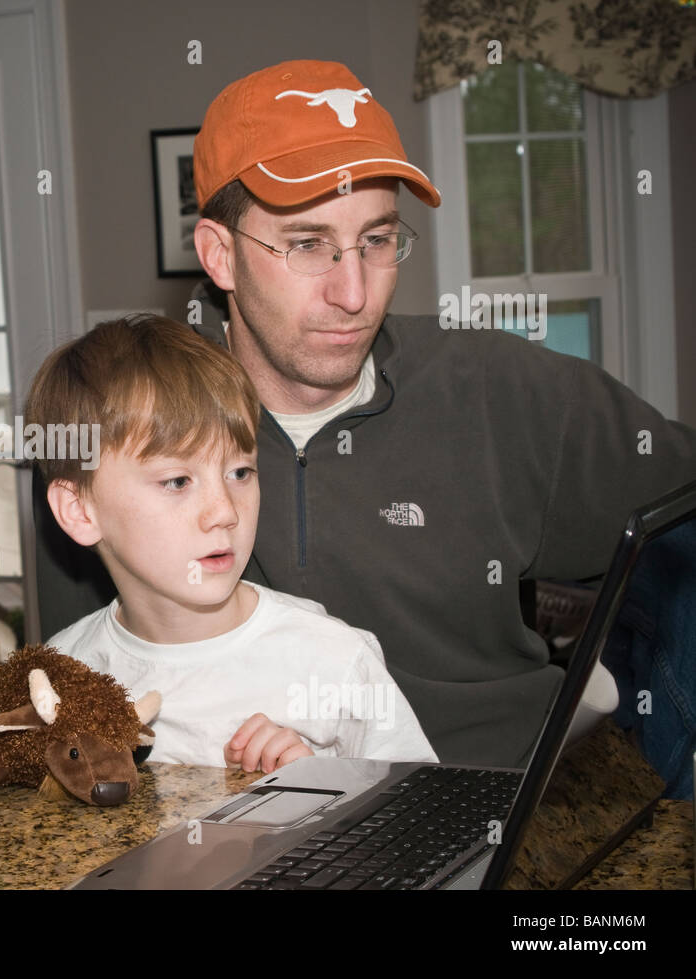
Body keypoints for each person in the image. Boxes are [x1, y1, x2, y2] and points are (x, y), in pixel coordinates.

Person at [35, 60, 696, 770]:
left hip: (511, 817)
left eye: (377, 241)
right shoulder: (129, 426)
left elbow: (680, 497)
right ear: (220, 255)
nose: (354, 292)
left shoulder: (500, 387)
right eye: (308, 244)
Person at [30, 315, 436, 771]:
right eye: (178, 481)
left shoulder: (331, 661)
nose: (225, 511)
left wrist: (323, 790)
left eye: (240, 473)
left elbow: (418, 819)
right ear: (79, 511)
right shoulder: (58, 677)